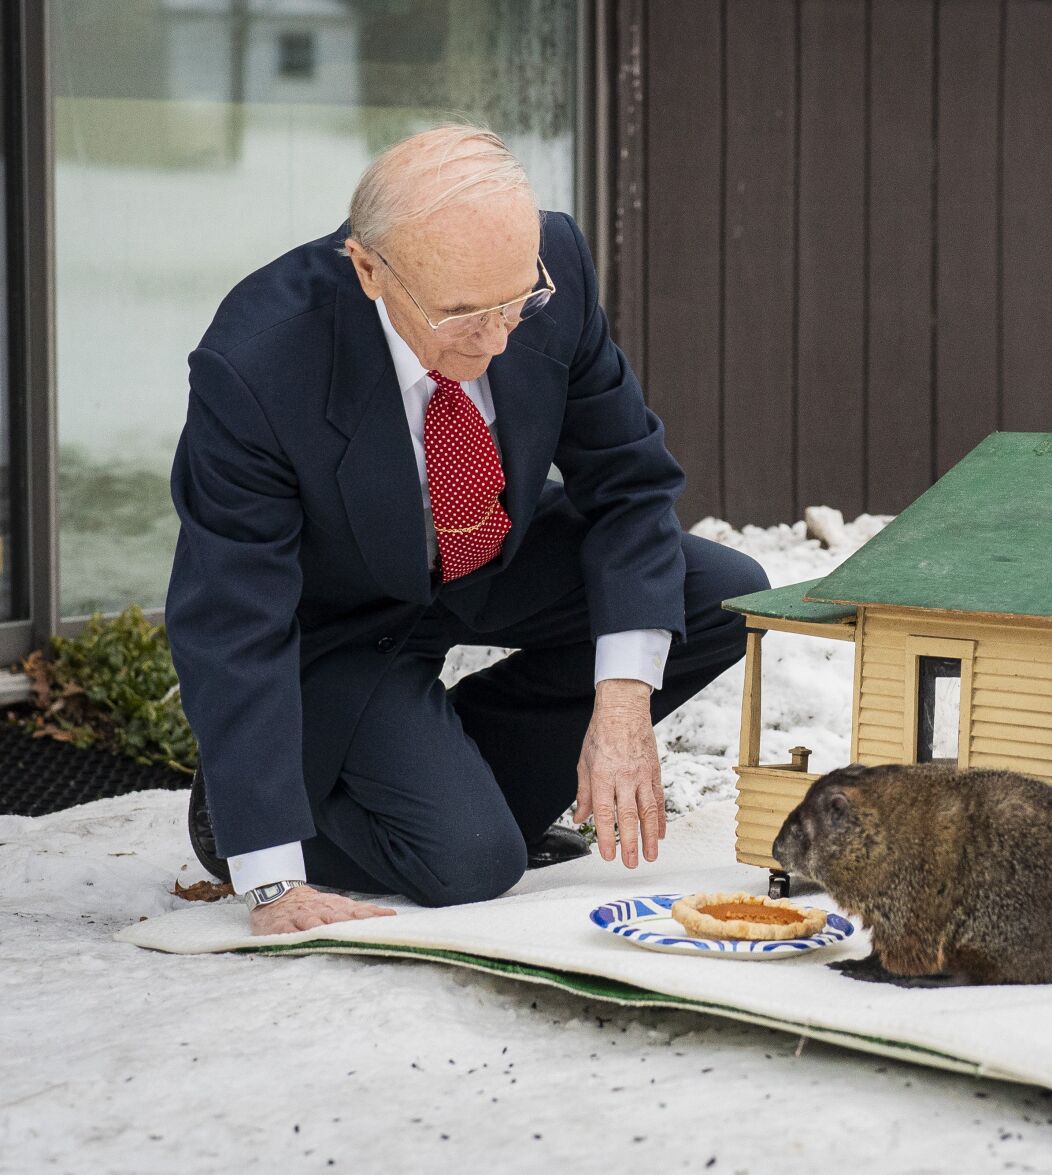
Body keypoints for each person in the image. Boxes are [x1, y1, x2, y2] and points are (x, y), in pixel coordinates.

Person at [166, 124, 767, 936]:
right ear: (370, 268)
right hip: (339, 624)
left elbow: (629, 480)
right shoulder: (258, 365)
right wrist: (268, 874)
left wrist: (622, 701)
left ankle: (453, 781)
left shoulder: (547, 262)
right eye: (462, 314)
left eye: (516, 304)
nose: (496, 339)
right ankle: (257, 811)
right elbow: (231, 616)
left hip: (483, 553)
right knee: (472, 865)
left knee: (721, 596)